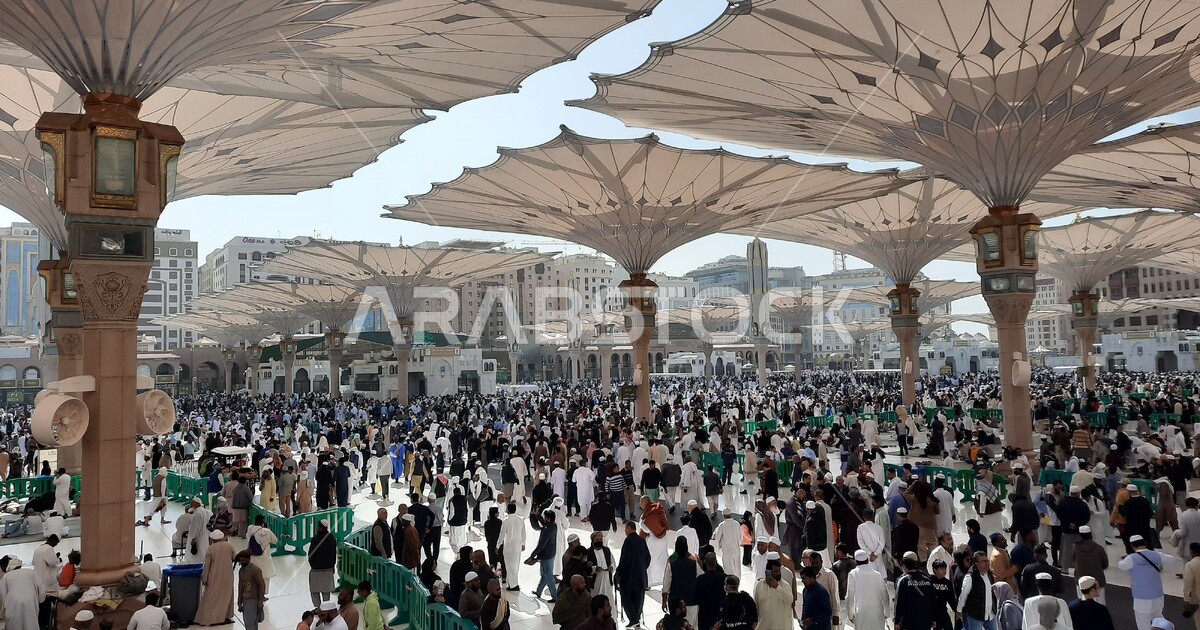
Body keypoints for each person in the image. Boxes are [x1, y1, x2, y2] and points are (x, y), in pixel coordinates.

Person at [1119, 534, 1178, 630]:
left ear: (1132, 546)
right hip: (1158, 594)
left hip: (1141, 596)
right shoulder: (1156, 554)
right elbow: (1172, 560)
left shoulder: (1131, 558)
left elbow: (1121, 565)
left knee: (1143, 622)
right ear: (1145, 543)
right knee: (1158, 619)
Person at [196, 530, 236, 626]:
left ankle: (211, 618)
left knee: (212, 597)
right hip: (227, 575)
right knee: (226, 595)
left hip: (214, 576)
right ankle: (225, 616)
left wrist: (205, 578)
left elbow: (207, 565)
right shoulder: (229, 545)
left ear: (212, 539)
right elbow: (234, 557)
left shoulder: (211, 548)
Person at [616, 520, 651, 629]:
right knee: (638, 600)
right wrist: (642, 568)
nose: (625, 531)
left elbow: (625, 558)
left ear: (628, 528)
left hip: (629, 577)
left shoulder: (628, 541)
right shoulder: (642, 540)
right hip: (641, 576)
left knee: (626, 598)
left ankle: (633, 619)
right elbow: (648, 557)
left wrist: (619, 571)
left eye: (625, 529)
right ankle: (636, 620)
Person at [846, 549, 890, 630]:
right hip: (877, 612)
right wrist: (886, 612)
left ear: (855, 561)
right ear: (867, 560)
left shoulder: (852, 574)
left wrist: (850, 615)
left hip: (861, 613)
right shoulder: (878, 575)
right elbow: (885, 595)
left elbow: (849, 597)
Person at [957, 551, 996, 630]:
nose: (987, 563)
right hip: (976, 616)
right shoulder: (970, 577)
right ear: (977, 564)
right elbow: (964, 595)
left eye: (987, 560)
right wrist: (959, 610)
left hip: (990, 615)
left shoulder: (988, 575)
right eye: (984, 561)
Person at [894, 555, 935, 630]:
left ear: (904, 566)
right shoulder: (927, 580)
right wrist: (934, 618)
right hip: (925, 620)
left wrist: (897, 621)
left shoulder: (903, 581)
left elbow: (899, 602)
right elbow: (933, 600)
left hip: (908, 621)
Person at [0, 563, 42, 630]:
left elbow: (3, 593)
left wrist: (5, 606)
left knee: (14, 624)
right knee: (30, 623)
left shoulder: (6, 576)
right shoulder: (31, 572)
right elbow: (42, 588)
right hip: (30, 601)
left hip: (13, 602)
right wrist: (40, 600)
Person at [529, 508, 559, 602]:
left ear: (549, 519)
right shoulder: (553, 526)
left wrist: (532, 555)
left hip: (546, 555)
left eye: (545, 518)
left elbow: (541, 545)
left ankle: (555, 596)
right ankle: (538, 591)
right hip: (550, 554)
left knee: (548, 576)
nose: (544, 519)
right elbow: (544, 523)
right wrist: (538, 515)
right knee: (544, 574)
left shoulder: (547, 530)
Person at [1072, 527, 1108, 604]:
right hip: (1097, 580)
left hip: (1081, 579)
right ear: (1090, 535)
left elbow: (1073, 560)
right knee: (1100, 603)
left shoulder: (1075, 547)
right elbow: (1105, 564)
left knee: (1082, 602)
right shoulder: (1099, 548)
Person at [308, 519, 338, 608]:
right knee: (326, 591)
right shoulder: (331, 538)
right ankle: (325, 608)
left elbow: (311, 554)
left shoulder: (315, 539)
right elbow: (334, 553)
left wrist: (313, 564)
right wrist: (332, 566)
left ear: (321, 528)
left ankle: (318, 608)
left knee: (314, 591)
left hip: (316, 569)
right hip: (328, 569)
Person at [247, 514, 278, 593]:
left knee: (254, 576)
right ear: (263, 522)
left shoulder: (250, 530)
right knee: (265, 576)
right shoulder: (267, 531)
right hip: (264, 557)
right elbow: (275, 540)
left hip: (253, 557)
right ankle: (263, 593)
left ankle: (255, 592)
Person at [236, 550, 266, 630]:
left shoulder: (255, 570)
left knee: (250, 623)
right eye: (240, 560)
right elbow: (240, 586)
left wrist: (260, 601)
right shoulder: (241, 570)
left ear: (249, 559)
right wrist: (239, 603)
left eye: (243, 560)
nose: (241, 562)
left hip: (253, 600)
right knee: (249, 623)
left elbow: (262, 585)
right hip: (245, 600)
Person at [500, 502, 525, 591]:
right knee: (515, 565)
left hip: (508, 546)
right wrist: (523, 543)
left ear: (508, 510)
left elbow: (502, 535)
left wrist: (498, 545)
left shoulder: (505, 521)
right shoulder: (521, 520)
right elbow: (523, 533)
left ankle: (513, 585)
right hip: (517, 545)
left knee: (509, 565)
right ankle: (512, 583)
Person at [800, 565, 832, 630]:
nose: (802, 581)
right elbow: (805, 606)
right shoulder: (805, 590)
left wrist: (812, 620)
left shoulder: (821, 592)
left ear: (811, 577)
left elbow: (827, 612)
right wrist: (803, 621)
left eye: (804, 578)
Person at [1185, 543, 1200, 630]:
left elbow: (1188, 583)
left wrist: (1186, 599)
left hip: (1197, 598)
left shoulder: (1190, 565)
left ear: (1192, 551)